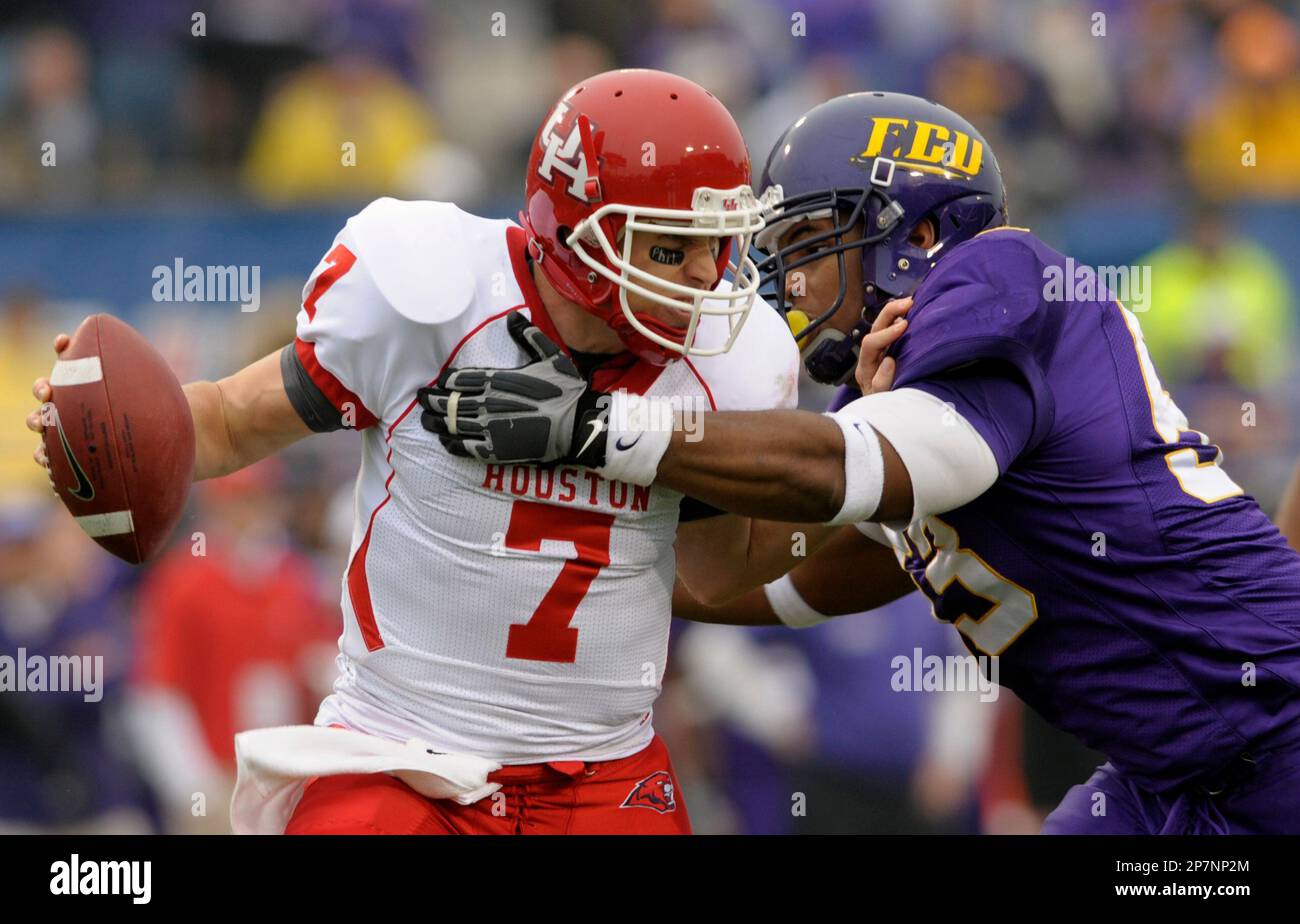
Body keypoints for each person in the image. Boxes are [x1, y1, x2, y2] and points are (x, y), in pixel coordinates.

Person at [423, 92, 1300, 835]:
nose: (787, 281)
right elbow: (775, 575)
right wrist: (566, 545)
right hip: (1174, 784)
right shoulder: (888, 406)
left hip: (1275, 744)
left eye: (808, 238)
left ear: (915, 234)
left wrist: (593, 426)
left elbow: (873, 467)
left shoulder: (996, 274)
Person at [27, 69, 805, 835]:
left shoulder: (726, 359)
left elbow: (714, 571)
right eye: (672, 247)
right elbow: (229, 422)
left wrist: (829, 487)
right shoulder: (429, 296)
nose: (709, 276)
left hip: (604, 774)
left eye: (718, 241)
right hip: (403, 762)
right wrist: (110, 430)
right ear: (575, 231)